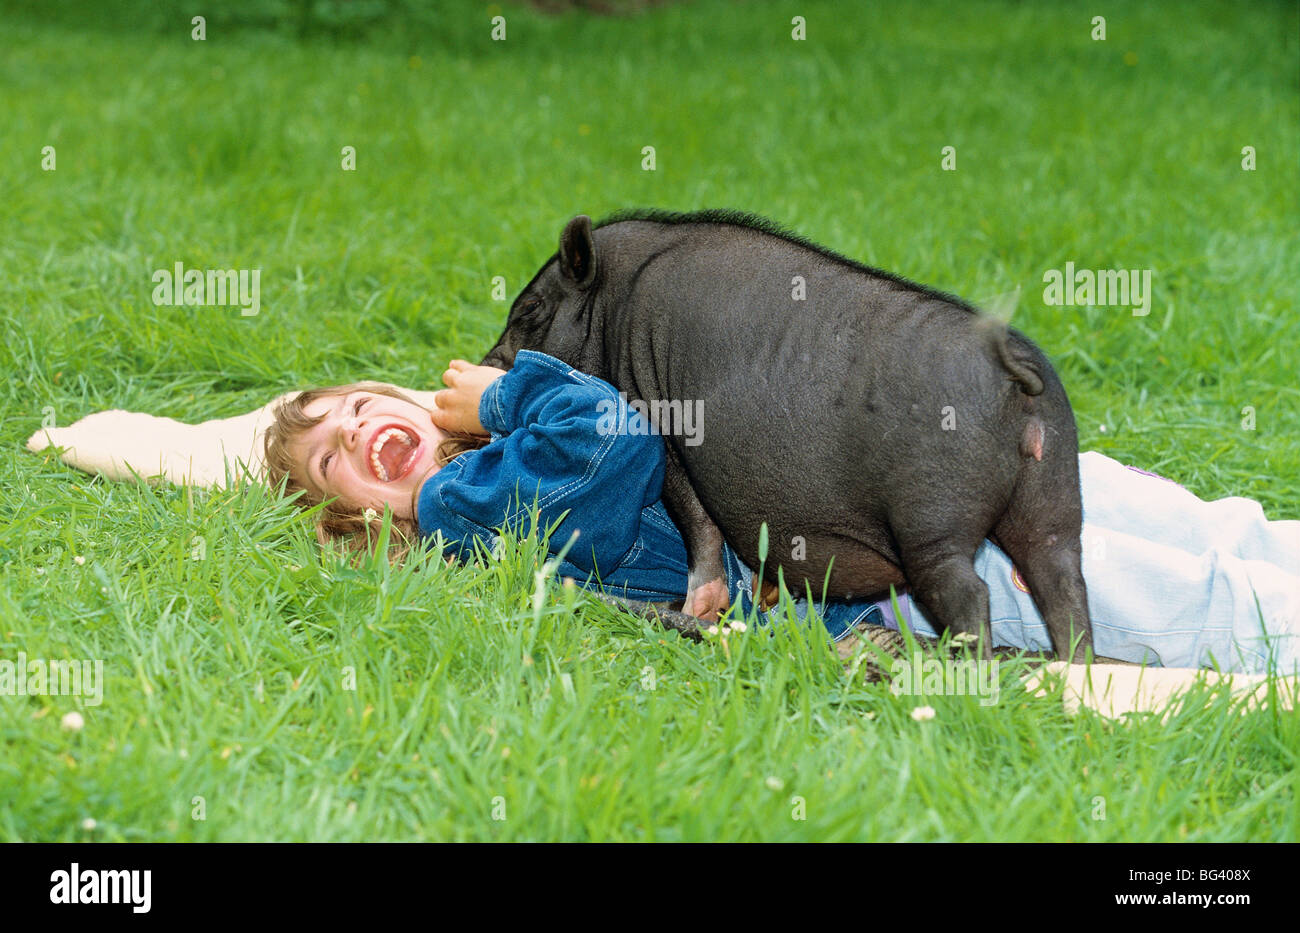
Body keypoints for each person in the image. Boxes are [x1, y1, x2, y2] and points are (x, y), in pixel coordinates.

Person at [261, 350, 1300, 675]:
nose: (358, 431)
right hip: (894, 570)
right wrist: (508, 396)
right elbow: (611, 440)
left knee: (1201, 526)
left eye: (364, 406)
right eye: (331, 456)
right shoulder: (467, 510)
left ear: (405, 396)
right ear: (359, 518)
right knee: (1175, 596)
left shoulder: (495, 468)